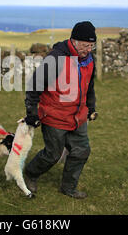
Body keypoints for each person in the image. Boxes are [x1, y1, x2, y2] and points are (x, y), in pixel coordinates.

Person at [23, 21, 98, 199]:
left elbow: (89, 87)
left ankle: (68, 187)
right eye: (86, 45)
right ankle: (31, 174)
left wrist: (91, 107)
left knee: (81, 151)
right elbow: (34, 85)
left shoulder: (89, 60)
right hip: (55, 116)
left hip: (77, 116)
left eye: (92, 45)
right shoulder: (56, 58)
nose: (89, 49)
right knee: (52, 155)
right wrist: (32, 113)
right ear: (74, 41)